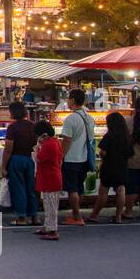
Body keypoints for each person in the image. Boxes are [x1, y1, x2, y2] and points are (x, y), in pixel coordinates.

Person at [57, 88, 93, 226]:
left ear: (72, 100)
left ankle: (77, 217)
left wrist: (61, 156)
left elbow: (67, 140)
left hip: (71, 158)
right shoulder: (88, 117)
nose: (67, 101)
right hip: (84, 157)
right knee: (79, 188)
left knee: (72, 189)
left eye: (68, 99)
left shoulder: (71, 118)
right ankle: (76, 213)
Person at [88, 112, 131, 223]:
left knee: (103, 191)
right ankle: (118, 216)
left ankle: (94, 215)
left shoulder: (109, 136)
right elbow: (130, 153)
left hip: (109, 166)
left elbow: (102, 152)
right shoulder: (126, 136)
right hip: (122, 166)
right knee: (121, 190)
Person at [2, 101, 39, 226]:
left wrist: (3, 167)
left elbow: (8, 149)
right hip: (29, 159)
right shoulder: (33, 125)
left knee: (18, 189)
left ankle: (21, 218)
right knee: (31, 188)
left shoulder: (13, 127)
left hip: (16, 160)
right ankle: (34, 217)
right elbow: (37, 143)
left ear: (12, 113)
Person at [33, 121, 63, 240]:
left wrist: (36, 149)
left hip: (49, 178)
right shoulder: (55, 142)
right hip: (52, 176)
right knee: (49, 204)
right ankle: (48, 227)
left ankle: (53, 231)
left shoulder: (49, 145)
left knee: (51, 206)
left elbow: (39, 158)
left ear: (43, 134)